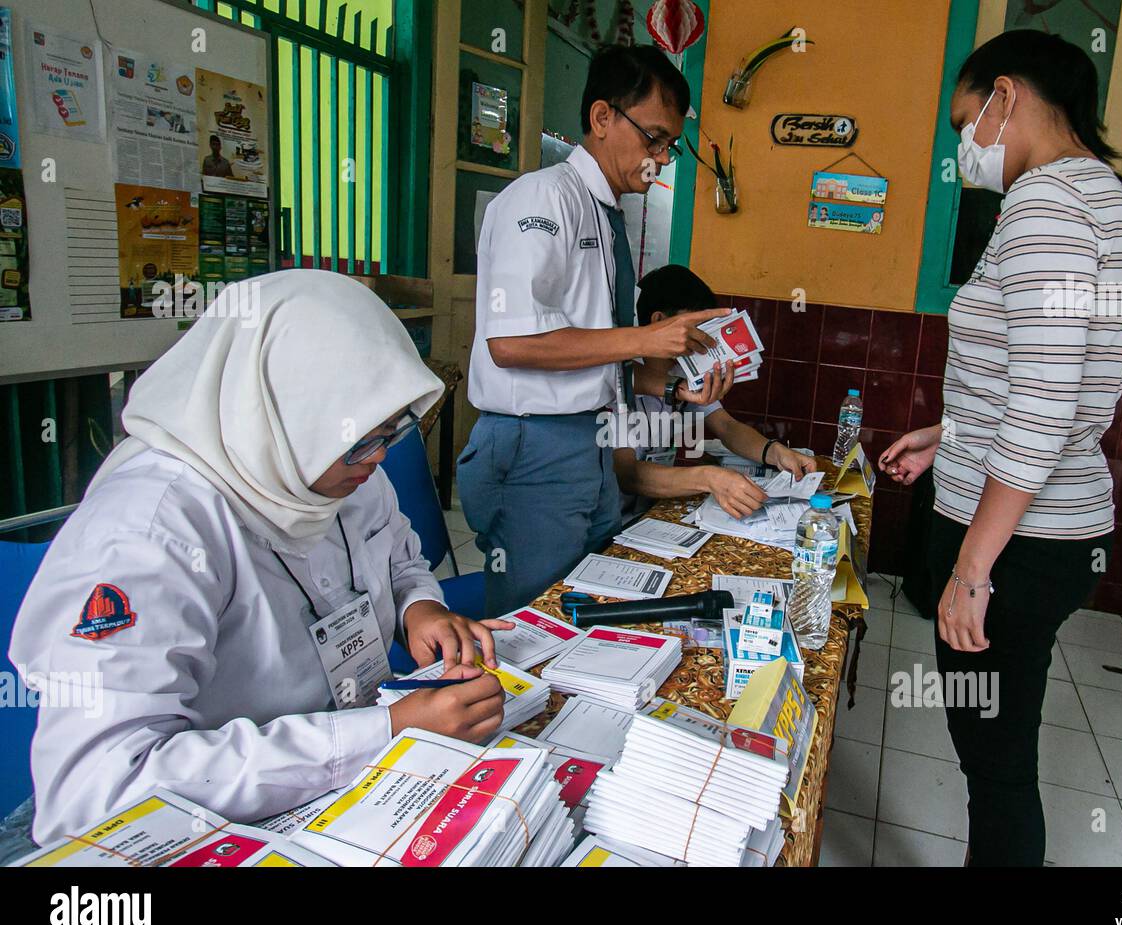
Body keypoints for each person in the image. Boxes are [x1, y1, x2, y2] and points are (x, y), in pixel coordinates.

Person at [9, 271, 512, 846]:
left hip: (341, 759)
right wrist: (384, 731)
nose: (378, 458)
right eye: (359, 440)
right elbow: (96, 794)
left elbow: (400, 556)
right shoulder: (149, 533)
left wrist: (419, 608)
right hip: (198, 824)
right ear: (276, 417)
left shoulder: (345, 471)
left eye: (391, 433)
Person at [877, 30, 1122, 867]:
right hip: (1057, 529)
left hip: (1015, 544)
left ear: (1006, 96)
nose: (967, 146)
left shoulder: (1044, 204)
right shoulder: (1102, 199)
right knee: (1000, 746)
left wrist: (971, 569)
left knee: (994, 765)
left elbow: (1042, 407)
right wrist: (947, 433)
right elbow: (1060, 382)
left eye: (966, 122)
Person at [460, 44, 731, 617]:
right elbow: (510, 344)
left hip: (595, 438)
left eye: (669, 146)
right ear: (602, 117)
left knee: (592, 605)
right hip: (536, 446)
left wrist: (674, 387)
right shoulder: (543, 198)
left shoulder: (605, 215)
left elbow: (592, 351)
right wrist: (648, 340)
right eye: (654, 138)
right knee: (536, 620)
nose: (661, 158)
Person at [613, 265, 818, 523]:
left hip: (649, 514)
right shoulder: (617, 378)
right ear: (658, 320)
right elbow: (627, 475)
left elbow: (726, 426)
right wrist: (709, 478)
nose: (701, 337)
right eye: (694, 326)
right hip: (612, 523)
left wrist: (775, 452)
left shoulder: (684, 372)